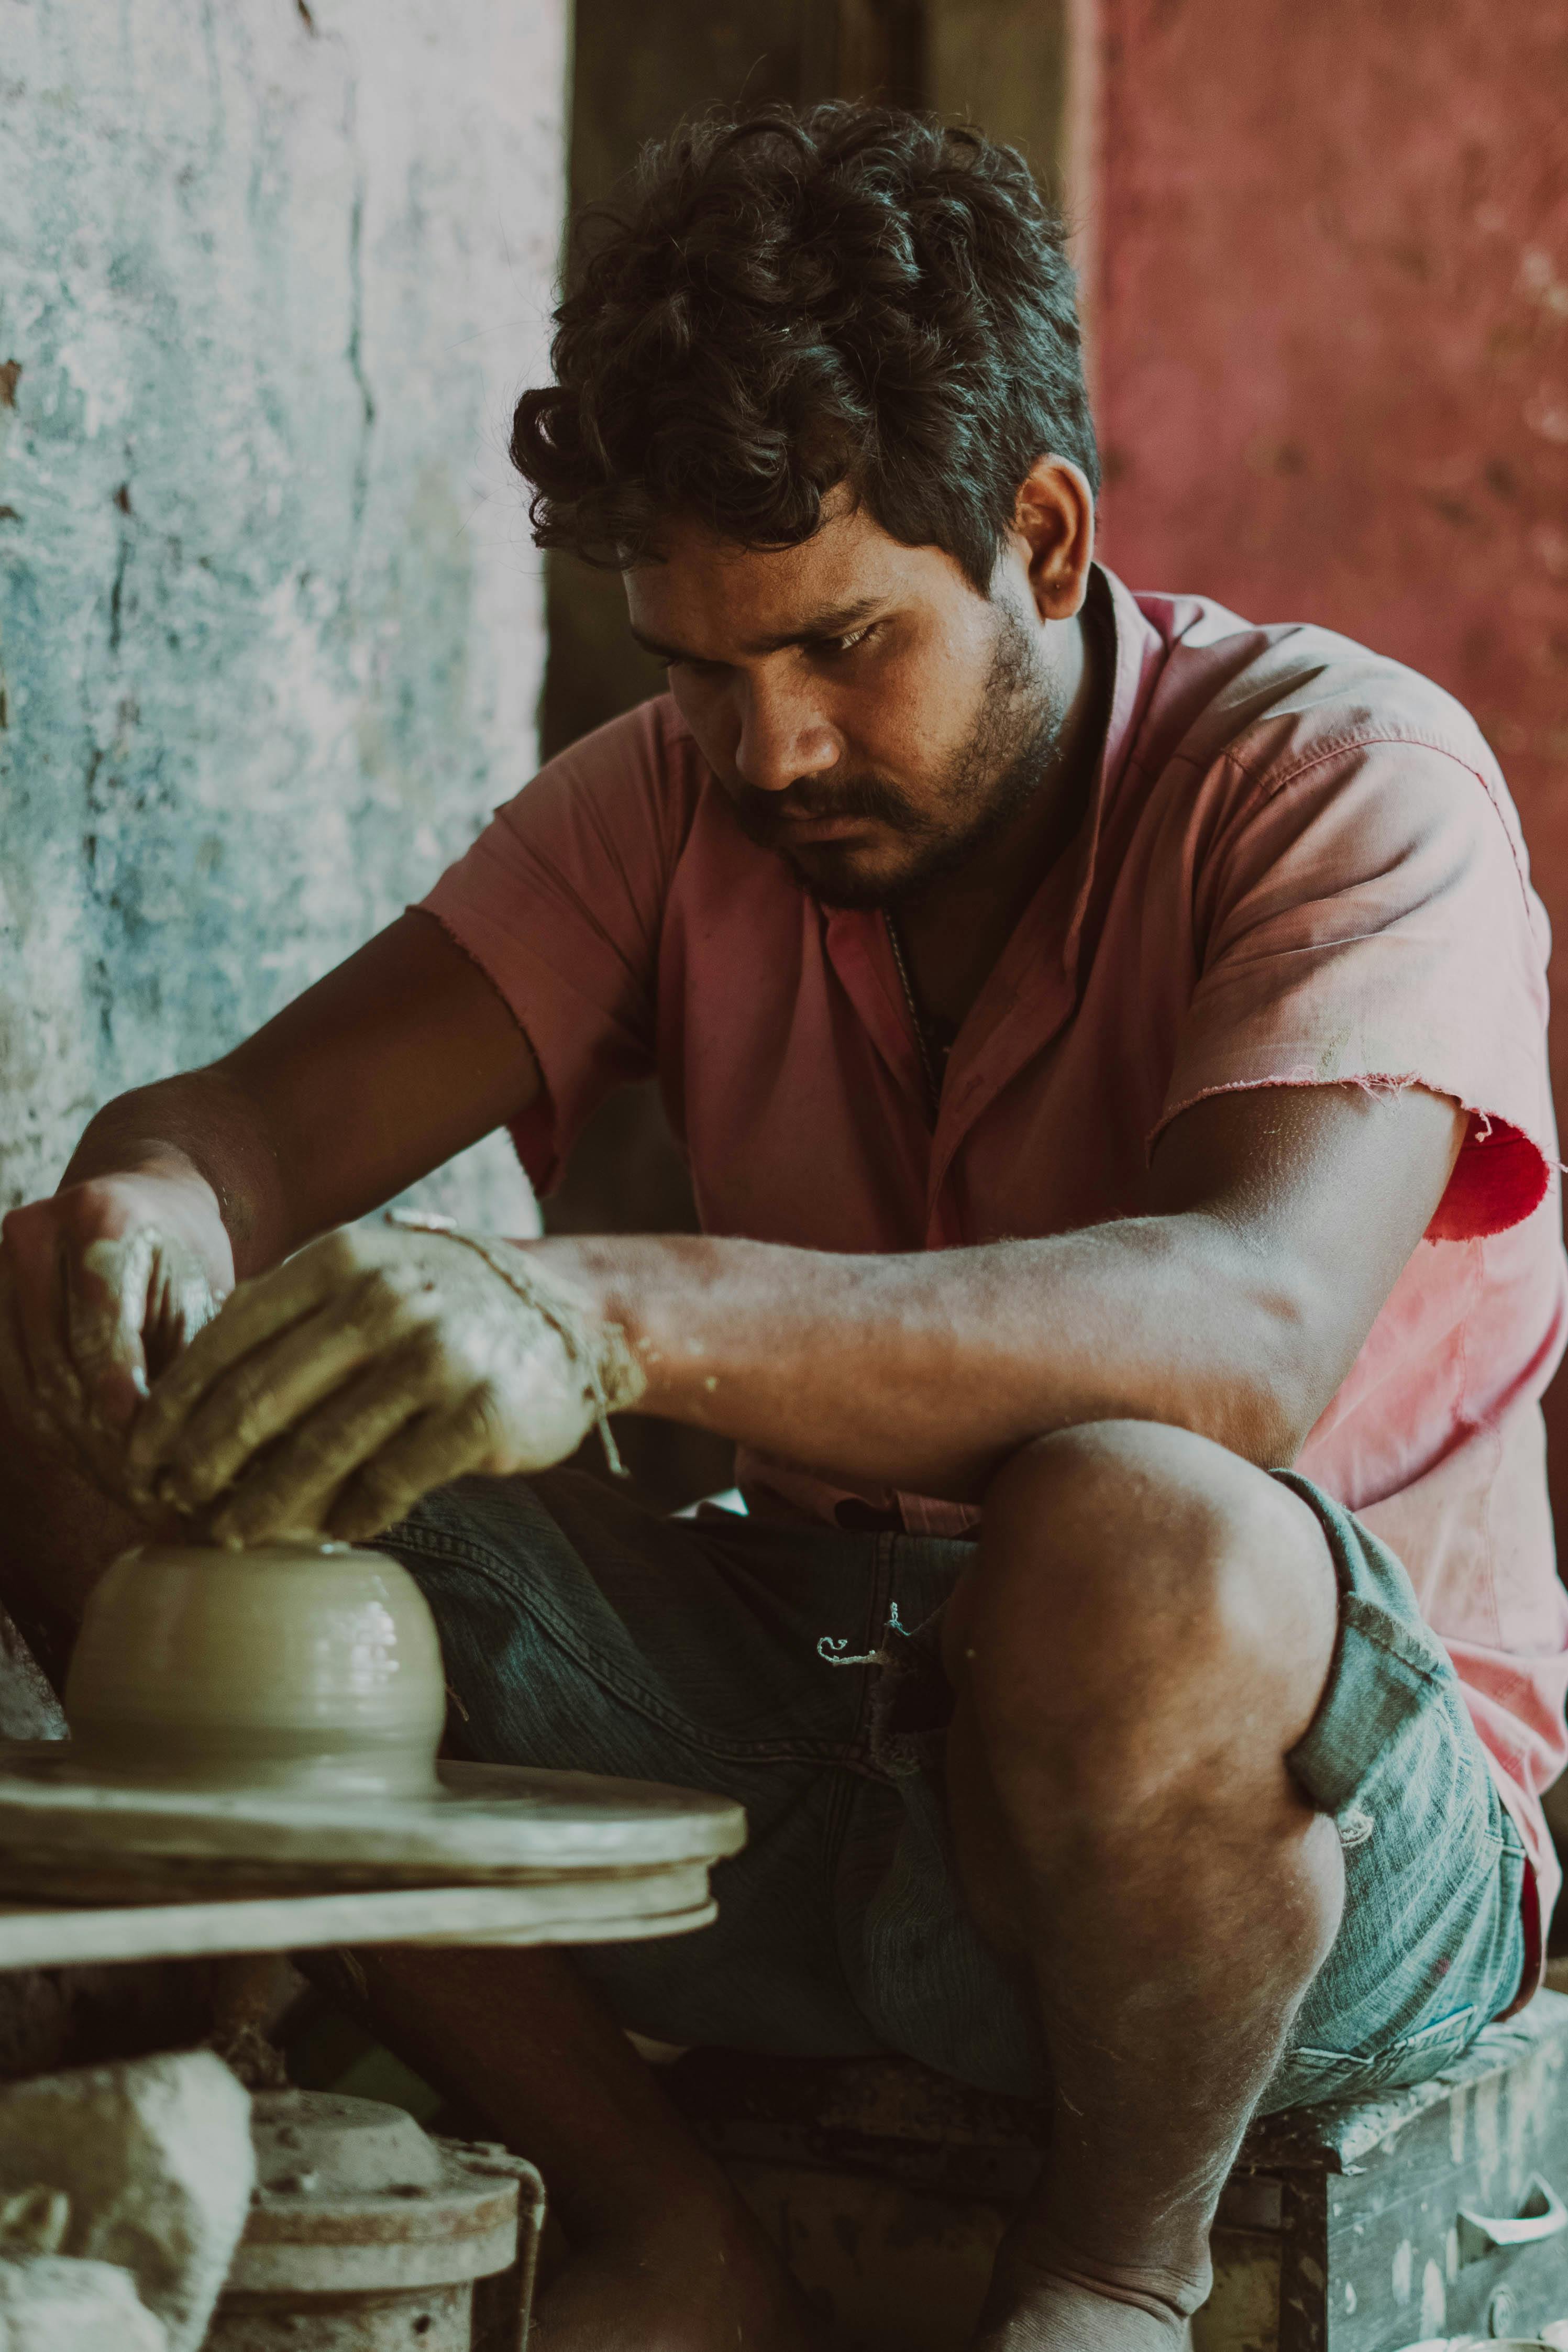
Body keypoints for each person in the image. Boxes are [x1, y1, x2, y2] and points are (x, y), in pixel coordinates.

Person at [2, 100, 1565, 2352]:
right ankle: (661, 2221)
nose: (768, 752)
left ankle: (1108, 2276)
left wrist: (598, 1312)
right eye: (696, 669)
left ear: (1041, 538)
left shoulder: (1342, 777)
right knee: (37, 1333)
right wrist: (150, 1209)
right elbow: (231, 1127)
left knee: (1130, 1530)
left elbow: (1247, 1335)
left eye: (840, 645)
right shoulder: (684, 798)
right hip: (816, 1740)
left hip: (1294, 1857)